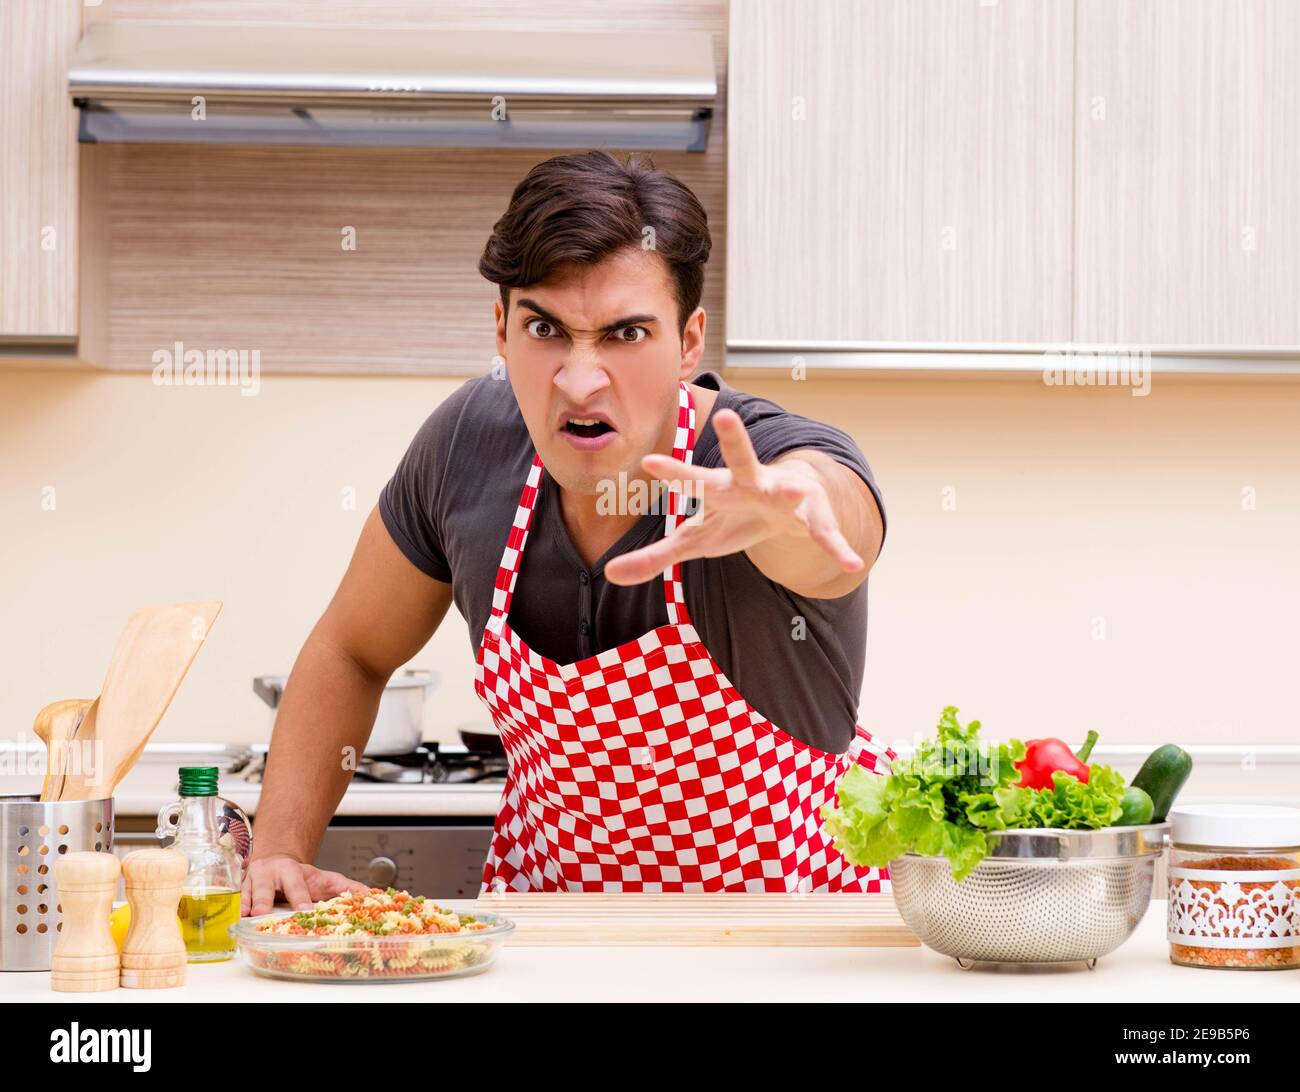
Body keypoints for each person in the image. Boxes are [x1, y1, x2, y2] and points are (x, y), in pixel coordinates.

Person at [242, 151, 892, 913]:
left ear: (688, 342)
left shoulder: (750, 461)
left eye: (625, 333)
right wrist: (279, 849)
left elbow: (836, 530)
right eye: (547, 327)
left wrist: (796, 510)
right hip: (550, 944)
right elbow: (352, 649)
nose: (580, 381)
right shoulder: (466, 447)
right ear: (501, 328)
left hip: (786, 947)